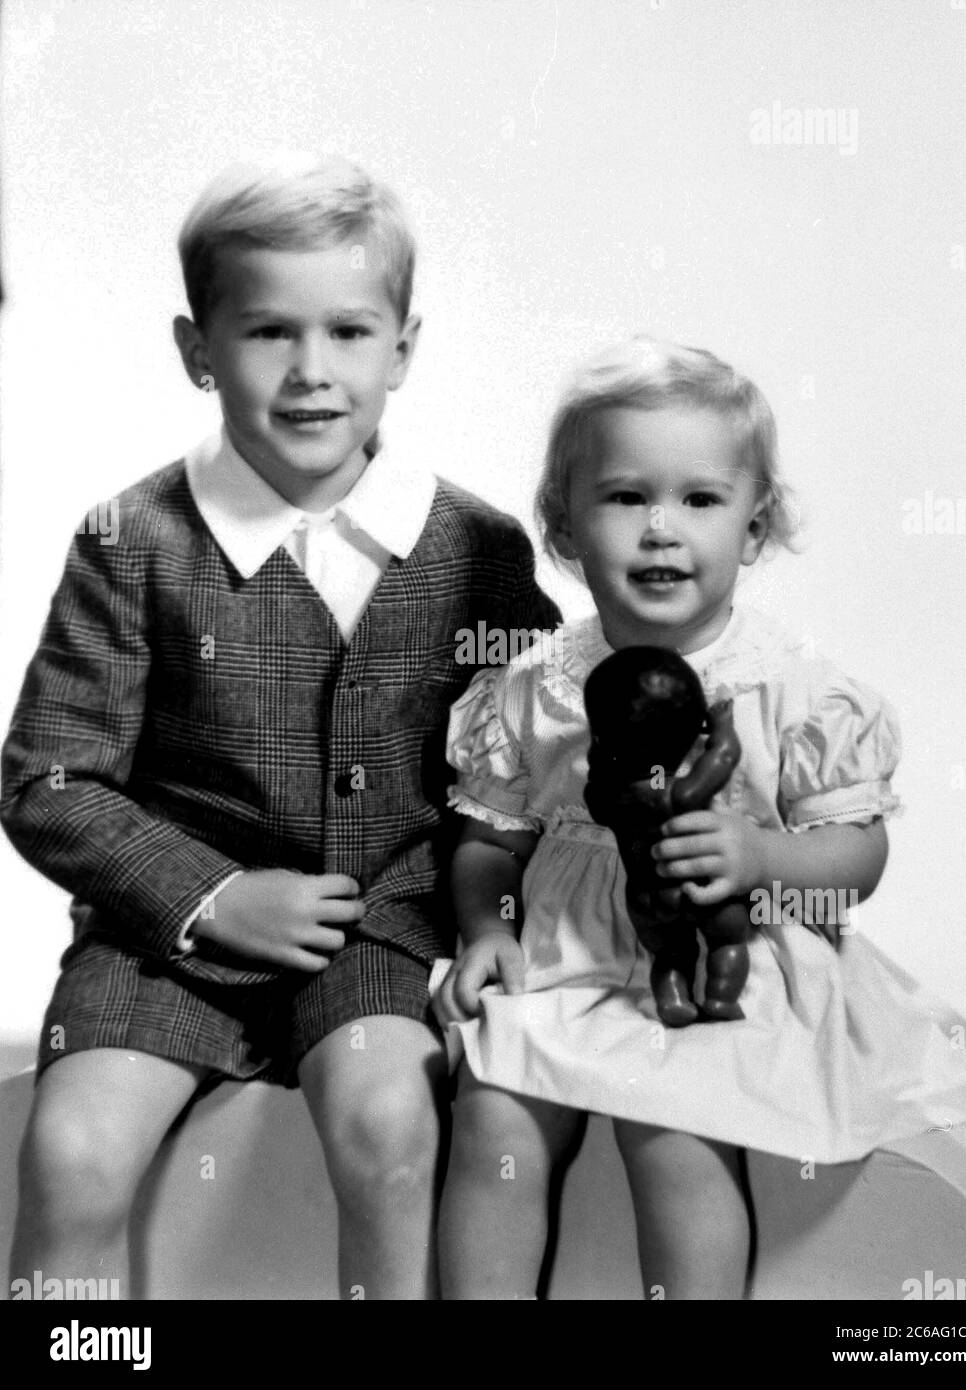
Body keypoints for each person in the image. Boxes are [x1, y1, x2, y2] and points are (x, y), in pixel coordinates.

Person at [1, 151, 559, 1301]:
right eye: (268, 333)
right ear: (196, 348)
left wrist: (509, 918)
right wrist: (207, 898)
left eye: (350, 333)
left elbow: (534, 771)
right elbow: (48, 778)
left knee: (390, 1131)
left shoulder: (481, 549)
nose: (312, 372)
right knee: (71, 1153)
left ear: (403, 347)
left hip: (383, 937)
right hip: (161, 947)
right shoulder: (131, 537)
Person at [433, 337, 966, 1300]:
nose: (661, 531)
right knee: (493, 1116)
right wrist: (490, 927)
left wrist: (760, 852)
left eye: (698, 500)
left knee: (674, 1135)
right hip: (565, 952)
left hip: (714, 966)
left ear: (753, 527)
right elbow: (492, 839)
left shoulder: (787, 687)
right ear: (563, 527)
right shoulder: (534, 687)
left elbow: (858, 854)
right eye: (625, 497)